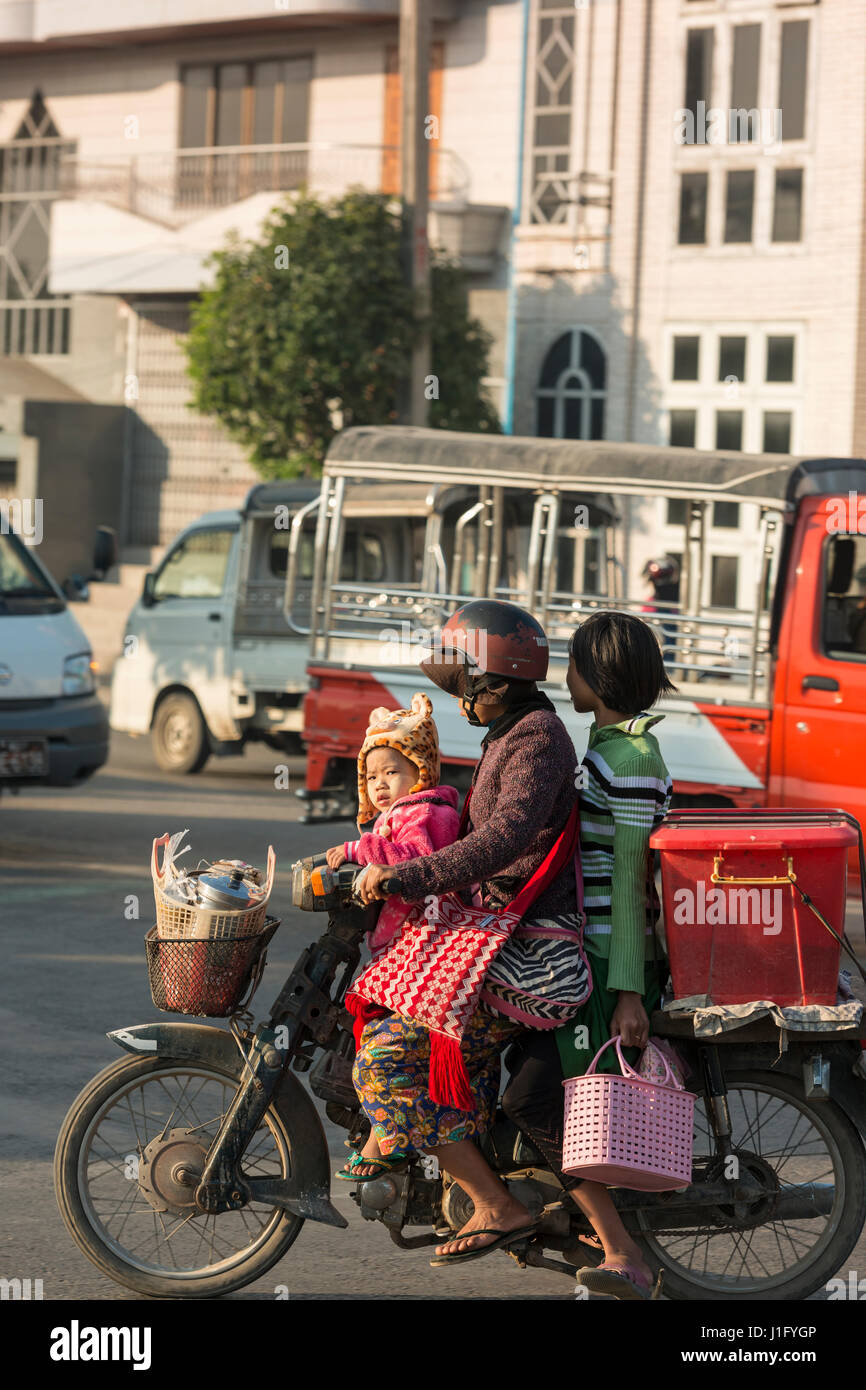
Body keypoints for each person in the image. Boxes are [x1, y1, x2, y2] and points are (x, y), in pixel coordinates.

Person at [354, 598, 592, 1263]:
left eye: (469, 686)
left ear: (497, 680)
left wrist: (414, 877)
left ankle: (496, 1205)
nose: (461, 701)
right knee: (394, 1015)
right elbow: (452, 825)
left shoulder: (537, 738)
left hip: (525, 946)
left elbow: (504, 837)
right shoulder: (508, 736)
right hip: (493, 929)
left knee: (392, 1056)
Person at [503, 610, 675, 1299]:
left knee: (540, 1100)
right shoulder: (609, 746)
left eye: (572, 663)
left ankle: (621, 1250)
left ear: (597, 675)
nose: (563, 676)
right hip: (589, 953)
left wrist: (628, 991)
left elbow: (632, 879)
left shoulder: (629, 758)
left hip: (605, 962)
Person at [323, 691, 465, 1181]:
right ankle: (380, 1132)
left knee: (380, 1046)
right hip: (405, 951)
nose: (380, 785)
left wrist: (358, 850)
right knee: (364, 1025)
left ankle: (388, 1136)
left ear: (420, 771)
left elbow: (413, 856)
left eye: (392, 772)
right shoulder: (401, 813)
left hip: (428, 954)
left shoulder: (430, 813)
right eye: (371, 776)